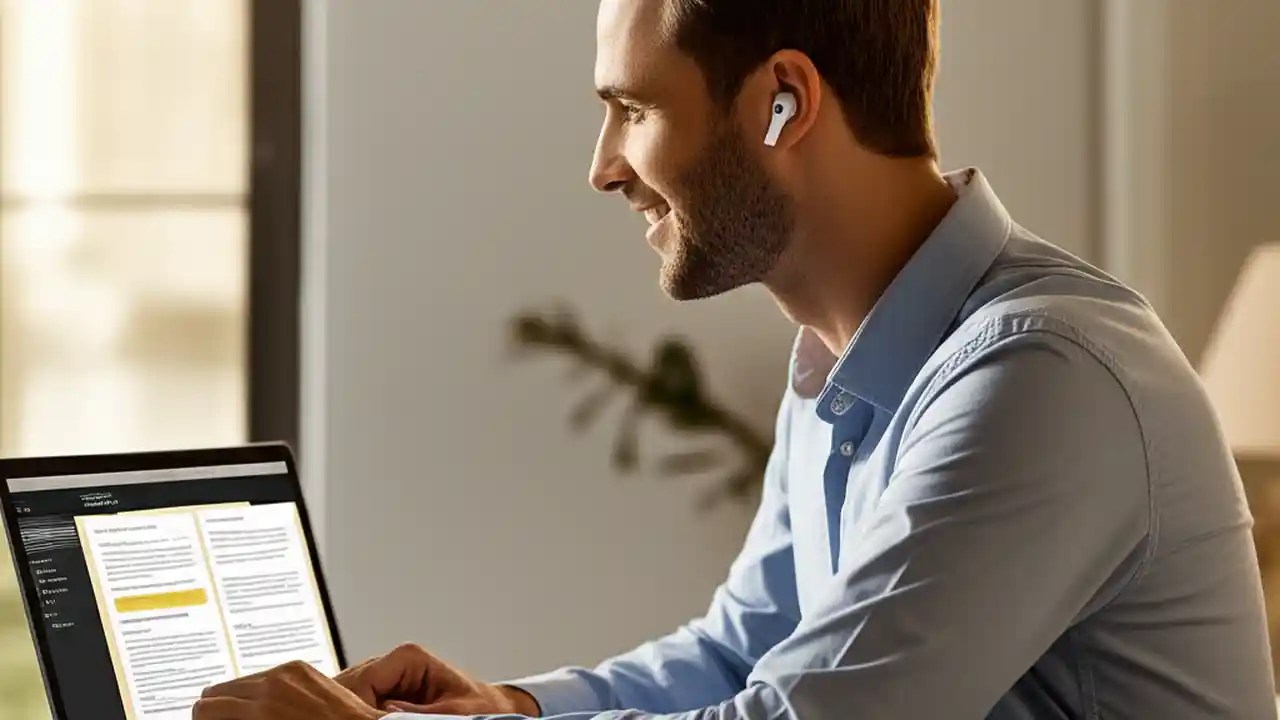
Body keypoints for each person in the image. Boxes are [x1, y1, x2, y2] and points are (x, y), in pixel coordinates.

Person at [194, 0, 1278, 718]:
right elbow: (736, 656)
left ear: (783, 101)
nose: (602, 168)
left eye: (631, 108)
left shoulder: (1042, 378)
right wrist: (507, 708)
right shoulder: (841, 363)